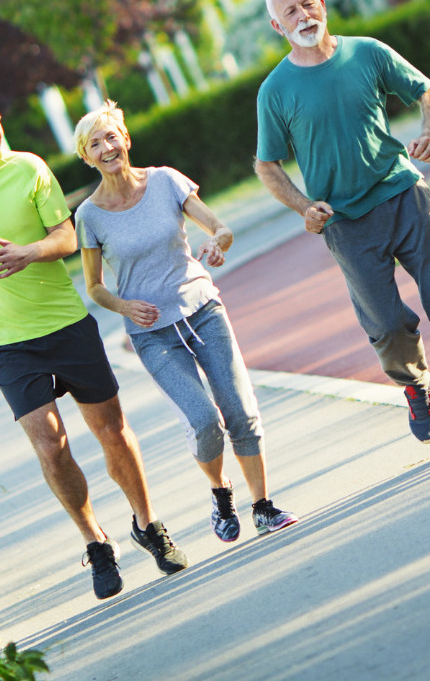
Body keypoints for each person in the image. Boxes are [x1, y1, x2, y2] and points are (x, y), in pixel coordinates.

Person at [0, 80, 188, 601]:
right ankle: (96, 543)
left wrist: (28, 252)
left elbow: (66, 235)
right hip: (7, 342)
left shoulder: (28, 168)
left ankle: (147, 524)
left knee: (111, 429)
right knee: (51, 446)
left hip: (65, 324)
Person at [252, 0, 430, 443]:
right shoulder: (275, 90)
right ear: (275, 24)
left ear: (322, 3)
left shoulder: (366, 52)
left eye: (308, 4)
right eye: (291, 11)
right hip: (345, 224)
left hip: (403, 193)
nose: (304, 16)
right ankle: (416, 386)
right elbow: (266, 165)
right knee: (387, 325)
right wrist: (304, 207)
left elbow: (429, 90)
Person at [73, 102, 298, 542]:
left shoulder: (165, 181)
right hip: (153, 332)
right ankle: (220, 492)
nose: (107, 147)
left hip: (202, 309)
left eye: (111, 136)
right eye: (95, 143)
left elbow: (220, 228)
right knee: (203, 422)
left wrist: (218, 241)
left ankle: (263, 506)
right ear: (86, 157)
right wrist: (124, 307)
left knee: (240, 413)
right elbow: (95, 288)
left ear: (126, 139)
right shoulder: (89, 216)